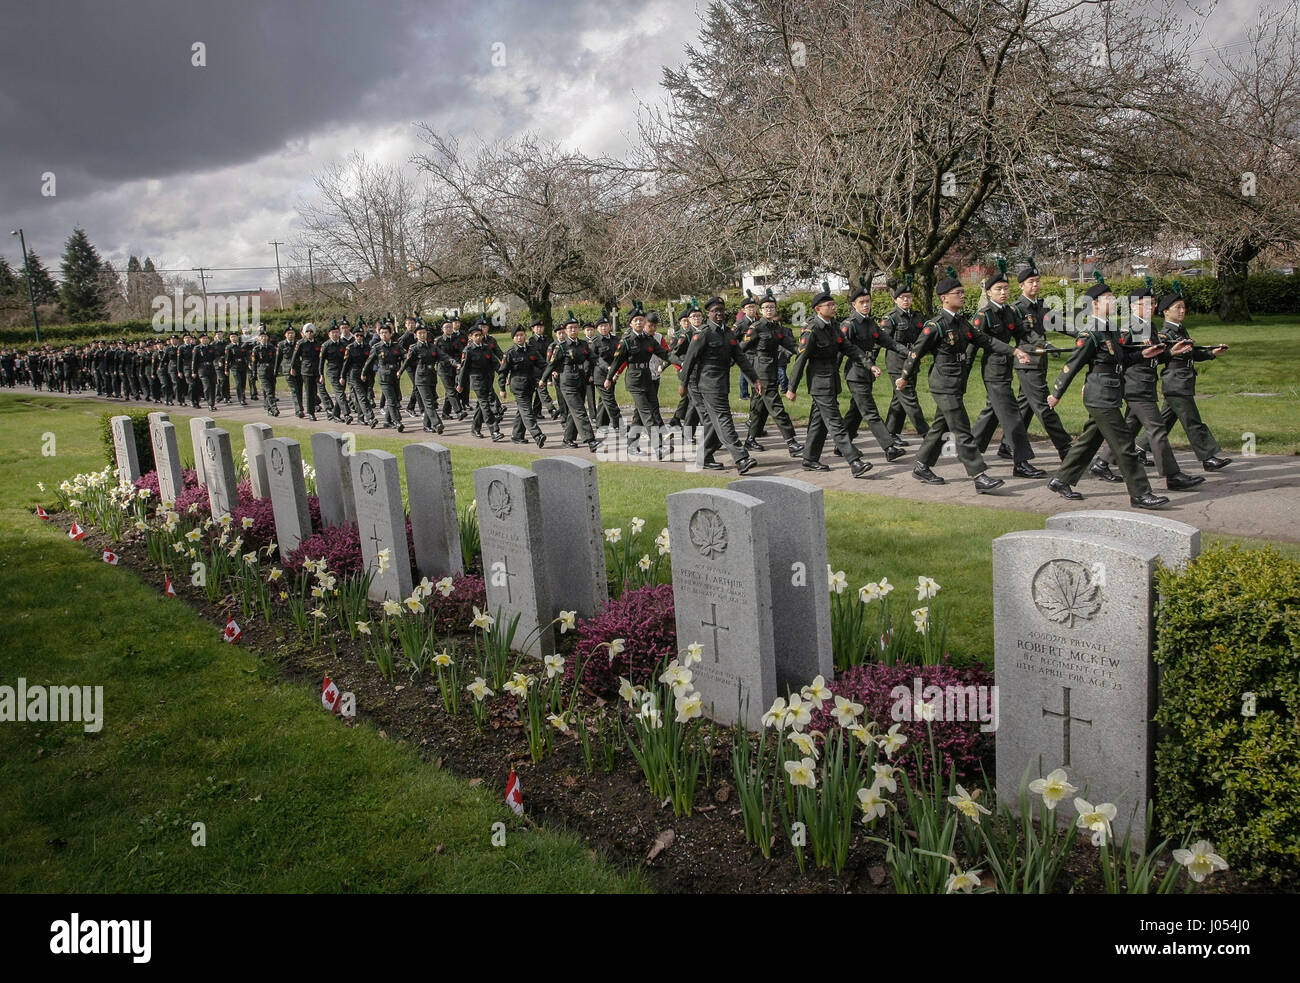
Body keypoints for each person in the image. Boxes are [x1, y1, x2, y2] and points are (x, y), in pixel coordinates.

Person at [896, 267, 1032, 493]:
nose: (962, 295)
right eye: (957, 293)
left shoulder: (961, 323)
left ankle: (921, 464)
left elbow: (985, 341)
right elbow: (915, 353)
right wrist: (903, 377)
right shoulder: (936, 325)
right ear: (944, 298)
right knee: (962, 429)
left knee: (940, 427)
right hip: (943, 385)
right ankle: (979, 475)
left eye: (962, 292)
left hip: (956, 383)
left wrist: (1014, 352)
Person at [1045, 272, 1170, 509]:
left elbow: (1120, 359)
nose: (1114, 302)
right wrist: (1056, 393)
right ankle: (1140, 494)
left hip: (1110, 393)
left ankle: (1060, 480)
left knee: (1089, 441)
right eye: (1109, 299)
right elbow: (1072, 365)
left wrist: (1143, 354)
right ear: (1094, 305)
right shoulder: (1091, 332)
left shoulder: (1110, 329)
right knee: (1124, 445)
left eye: (1113, 298)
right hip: (1100, 395)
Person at [1096, 279, 1205, 491]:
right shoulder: (1129, 328)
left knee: (1128, 428)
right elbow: (1120, 357)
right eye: (1146, 304)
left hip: (1146, 385)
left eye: (1153, 303)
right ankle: (1172, 476)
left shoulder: (1149, 326)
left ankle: (1102, 463)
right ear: (1132, 306)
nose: (1152, 307)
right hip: (1135, 386)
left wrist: (1172, 352)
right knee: (1157, 429)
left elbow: (1152, 357)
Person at [784, 283, 873, 477]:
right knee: (835, 422)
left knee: (819, 422)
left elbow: (848, 347)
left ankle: (809, 459)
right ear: (818, 309)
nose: (834, 308)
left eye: (834, 304)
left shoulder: (833, 326)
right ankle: (854, 461)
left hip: (831, 381)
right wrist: (792, 387)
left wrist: (868, 364)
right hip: (819, 384)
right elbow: (801, 359)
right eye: (829, 305)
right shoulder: (812, 329)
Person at [968, 259, 1047, 478]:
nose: (1003, 292)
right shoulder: (984, 316)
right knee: (1012, 415)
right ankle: (1021, 463)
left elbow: (1023, 332)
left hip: (1005, 370)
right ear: (989, 292)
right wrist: (961, 377)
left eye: (1005, 288)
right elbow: (973, 347)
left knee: (992, 412)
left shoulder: (1009, 312)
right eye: (998, 289)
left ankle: (970, 450)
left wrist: (1041, 343)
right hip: (993, 372)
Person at [1144, 283, 1233, 472]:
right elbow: (1160, 357)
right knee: (1193, 421)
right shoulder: (1165, 334)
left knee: (1161, 423)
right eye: (1178, 308)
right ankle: (1208, 457)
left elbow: (1191, 354)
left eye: (1183, 307)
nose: (1182, 311)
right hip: (1175, 383)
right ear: (1166, 312)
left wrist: (1212, 353)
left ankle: (1138, 449)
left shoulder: (1180, 331)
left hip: (1182, 382)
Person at [990, 257, 1072, 460]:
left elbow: (1061, 324)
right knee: (1044, 406)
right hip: (1028, 363)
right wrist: (1045, 344)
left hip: (1039, 362)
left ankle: (1008, 445)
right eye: (1030, 282)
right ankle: (1066, 448)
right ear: (1021, 286)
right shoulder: (1017, 309)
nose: (1035, 285)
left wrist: (1085, 334)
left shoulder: (1041, 306)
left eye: (1037, 281)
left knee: (1025, 406)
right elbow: (1026, 335)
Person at [677, 297, 760, 472]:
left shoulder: (728, 333)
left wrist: (755, 379)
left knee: (713, 421)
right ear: (709, 313)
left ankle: (703, 457)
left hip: (722, 384)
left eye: (722, 310)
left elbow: (741, 358)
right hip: (707, 384)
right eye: (715, 311)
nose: (720, 313)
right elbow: (690, 360)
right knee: (724, 419)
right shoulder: (703, 333)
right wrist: (683, 384)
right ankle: (741, 458)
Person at [839, 276, 910, 462]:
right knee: (871, 412)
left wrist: (909, 352)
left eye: (868, 302)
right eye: (861, 302)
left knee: (856, 411)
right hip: (855, 373)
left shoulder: (870, 323)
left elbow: (888, 342)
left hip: (867, 374)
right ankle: (889, 447)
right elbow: (841, 352)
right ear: (853, 304)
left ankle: (842, 445)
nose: (866, 305)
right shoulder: (849, 325)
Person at [740, 288, 802, 457]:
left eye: (772, 307)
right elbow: (740, 349)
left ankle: (750, 439)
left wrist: (802, 351)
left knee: (760, 407)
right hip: (761, 373)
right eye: (766, 307)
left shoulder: (776, 327)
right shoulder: (756, 327)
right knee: (776, 406)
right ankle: (791, 442)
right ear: (761, 310)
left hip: (772, 369)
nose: (769, 310)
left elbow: (790, 344)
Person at [607, 303, 673, 458]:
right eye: (635, 320)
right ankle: (659, 448)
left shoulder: (648, 339)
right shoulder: (626, 341)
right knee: (647, 413)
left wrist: (681, 362)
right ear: (631, 323)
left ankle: (631, 445)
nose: (639, 322)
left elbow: (665, 354)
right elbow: (617, 362)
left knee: (639, 415)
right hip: (634, 380)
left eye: (641, 320)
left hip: (647, 378)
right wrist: (609, 378)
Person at [881, 277, 929, 443]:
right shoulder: (891, 318)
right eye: (903, 298)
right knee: (909, 399)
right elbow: (885, 341)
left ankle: (890, 433)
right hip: (897, 363)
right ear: (895, 299)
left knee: (899, 400)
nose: (907, 300)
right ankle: (927, 434)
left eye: (909, 297)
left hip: (912, 362)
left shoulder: (916, 316)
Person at [544, 314, 602, 451]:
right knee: (580, 411)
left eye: (576, 328)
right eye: (571, 328)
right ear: (565, 330)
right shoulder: (561, 347)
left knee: (573, 411)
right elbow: (551, 365)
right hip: (567, 381)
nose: (574, 330)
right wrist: (543, 380)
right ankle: (590, 440)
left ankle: (568, 438)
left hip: (581, 380)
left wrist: (608, 369)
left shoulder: (583, 344)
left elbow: (594, 359)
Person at [499, 325, 547, 447]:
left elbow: (542, 364)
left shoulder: (531, 350)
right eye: (516, 336)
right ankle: (537, 435)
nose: (519, 338)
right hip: (518, 386)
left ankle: (517, 435)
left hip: (530, 384)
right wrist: (502, 388)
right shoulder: (510, 353)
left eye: (521, 335)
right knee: (527, 411)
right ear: (513, 338)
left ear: (525, 336)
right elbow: (503, 372)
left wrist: (548, 374)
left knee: (522, 411)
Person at [457, 323, 504, 441]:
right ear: (470, 337)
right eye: (476, 335)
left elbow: (495, 364)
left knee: (480, 406)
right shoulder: (468, 351)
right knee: (485, 404)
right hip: (477, 380)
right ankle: (494, 431)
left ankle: (475, 428)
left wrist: (504, 374)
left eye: (480, 335)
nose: (478, 337)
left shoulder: (486, 348)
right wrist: (460, 384)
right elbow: (464, 369)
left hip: (488, 379)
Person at [401, 322, 445, 434]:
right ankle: (437, 423)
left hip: (431, 377)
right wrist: (400, 371)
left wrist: (454, 363)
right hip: (421, 378)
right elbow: (407, 361)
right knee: (429, 402)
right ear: (416, 335)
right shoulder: (414, 348)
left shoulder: (432, 346)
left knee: (432, 402)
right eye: (420, 333)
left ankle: (426, 425)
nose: (422, 335)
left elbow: (443, 356)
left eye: (424, 333)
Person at [363, 322, 406, 431]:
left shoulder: (396, 346)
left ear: (390, 334)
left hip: (395, 375)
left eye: (386, 332)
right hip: (384, 376)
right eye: (381, 333)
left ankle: (387, 421)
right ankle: (397, 421)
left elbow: (404, 356)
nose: (383, 335)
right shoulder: (377, 347)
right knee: (391, 400)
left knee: (396, 398)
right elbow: (369, 362)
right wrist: (363, 373)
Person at [291, 322, 323, 420]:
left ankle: (314, 407)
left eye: (311, 331)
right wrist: (292, 367)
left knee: (314, 391)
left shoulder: (317, 343)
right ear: (304, 333)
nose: (309, 333)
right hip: (306, 370)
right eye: (307, 331)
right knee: (309, 391)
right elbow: (295, 356)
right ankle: (311, 413)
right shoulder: (301, 343)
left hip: (316, 369)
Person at [252, 327, 279, 415]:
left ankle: (268, 407)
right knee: (268, 390)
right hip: (262, 370)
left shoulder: (271, 348)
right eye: (262, 336)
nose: (263, 338)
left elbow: (275, 360)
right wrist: (254, 374)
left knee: (271, 389)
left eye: (265, 336)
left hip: (271, 370)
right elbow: (254, 362)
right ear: (259, 338)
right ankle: (274, 408)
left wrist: (276, 370)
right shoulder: (256, 349)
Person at [277, 325, 303, 417]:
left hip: (299, 369)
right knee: (294, 390)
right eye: (289, 333)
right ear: (285, 335)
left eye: (292, 333)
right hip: (288, 369)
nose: (291, 335)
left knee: (299, 389)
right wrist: (276, 371)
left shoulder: (298, 343)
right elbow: (278, 358)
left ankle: (300, 407)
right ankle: (298, 410)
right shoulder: (281, 345)